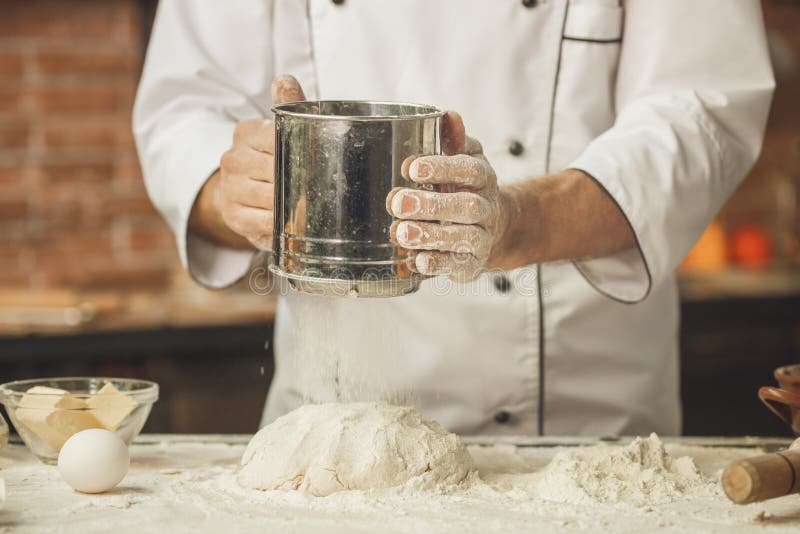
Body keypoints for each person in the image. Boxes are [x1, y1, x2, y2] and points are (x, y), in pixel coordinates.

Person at [134, 1, 774, 436]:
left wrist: (519, 221)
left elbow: (701, 108)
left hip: (579, 425)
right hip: (331, 419)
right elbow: (183, 112)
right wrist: (234, 191)